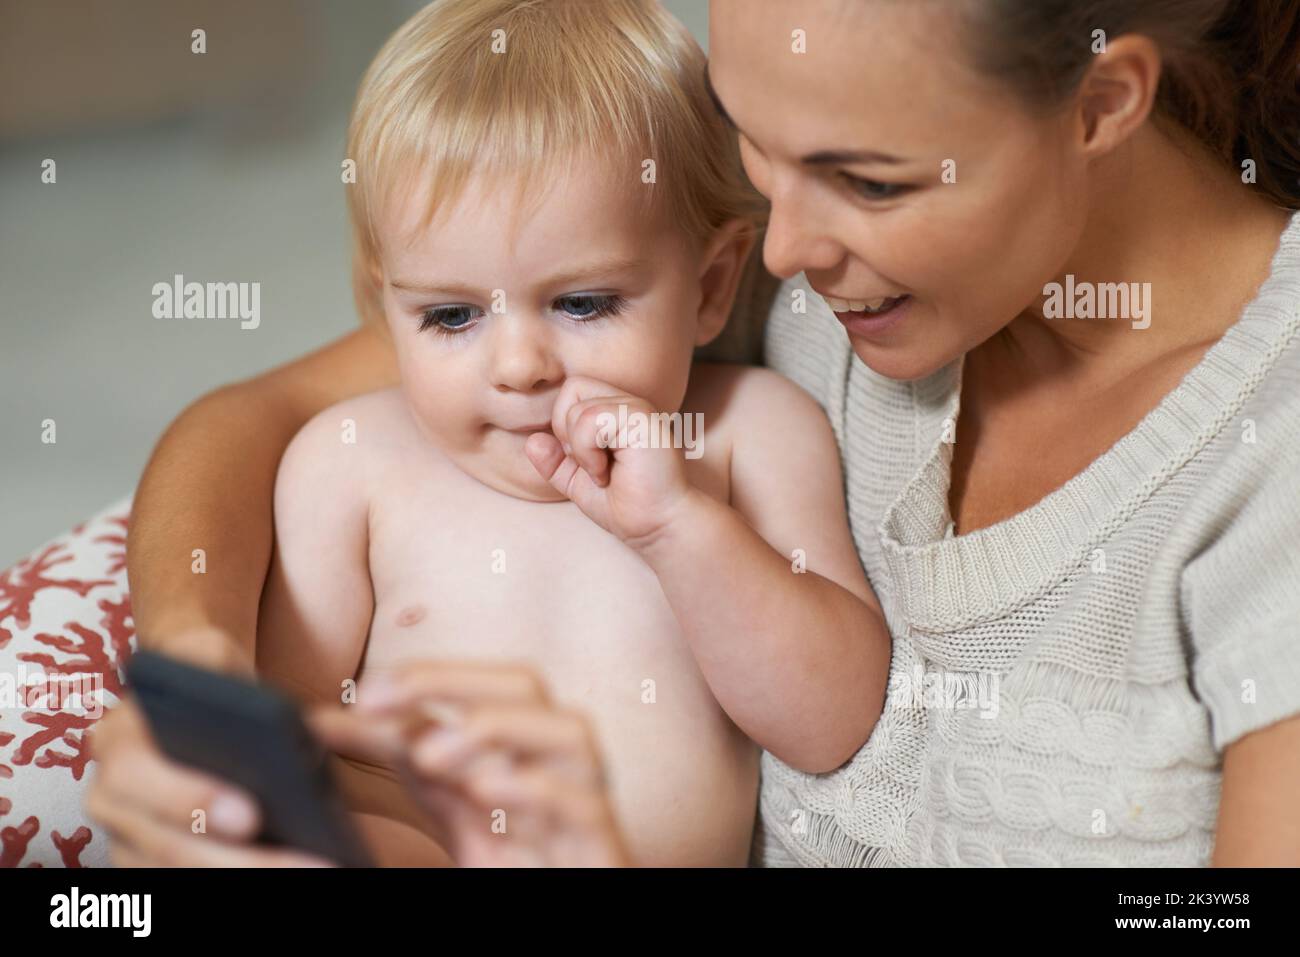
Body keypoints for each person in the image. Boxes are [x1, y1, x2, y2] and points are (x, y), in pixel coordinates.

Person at [90, 0, 1300, 866]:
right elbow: (259, 421)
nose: (783, 254)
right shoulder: (740, 236)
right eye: (755, 153)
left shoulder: (1263, 461)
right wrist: (198, 665)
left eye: (867, 181)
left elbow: (835, 706)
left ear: (1100, 103)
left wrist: (688, 536)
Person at [87, 0, 891, 867]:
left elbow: (834, 721)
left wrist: (681, 531)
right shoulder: (347, 466)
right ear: (381, 303)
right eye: (451, 314)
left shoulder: (749, 436)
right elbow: (290, 747)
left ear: (710, 286)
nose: (519, 366)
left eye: (583, 302)